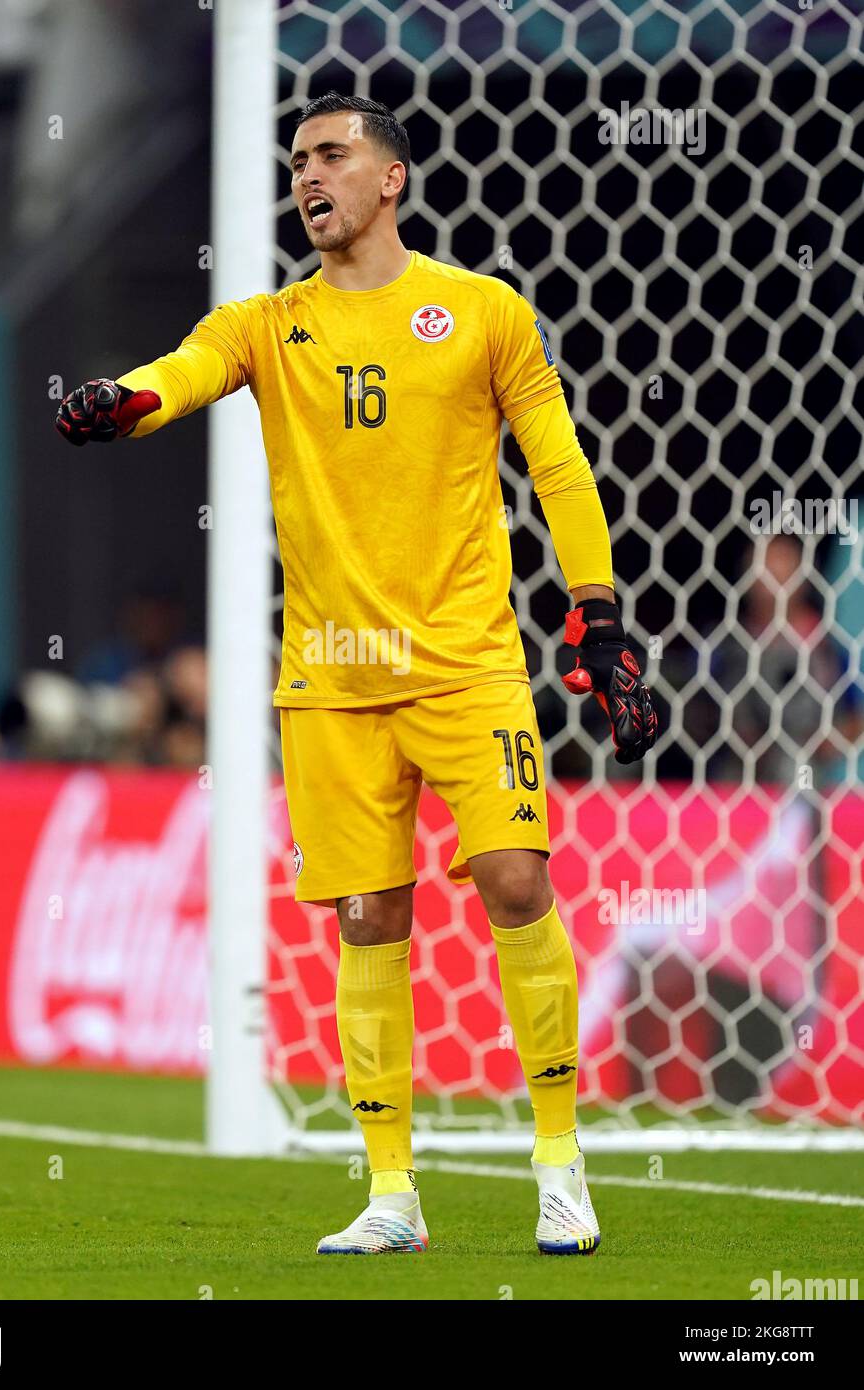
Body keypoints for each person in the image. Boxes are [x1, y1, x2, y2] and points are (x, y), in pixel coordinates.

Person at [55, 93, 657, 1257]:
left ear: (392, 179)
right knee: (371, 919)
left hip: (469, 664)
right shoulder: (268, 325)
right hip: (330, 678)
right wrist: (125, 403)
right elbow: (178, 371)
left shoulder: (481, 313)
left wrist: (597, 615)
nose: (308, 177)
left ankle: (559, 1161)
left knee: (517, 880)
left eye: (331, 155)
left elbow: (560, 463)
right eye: (297, 162)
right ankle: (393, 1189)